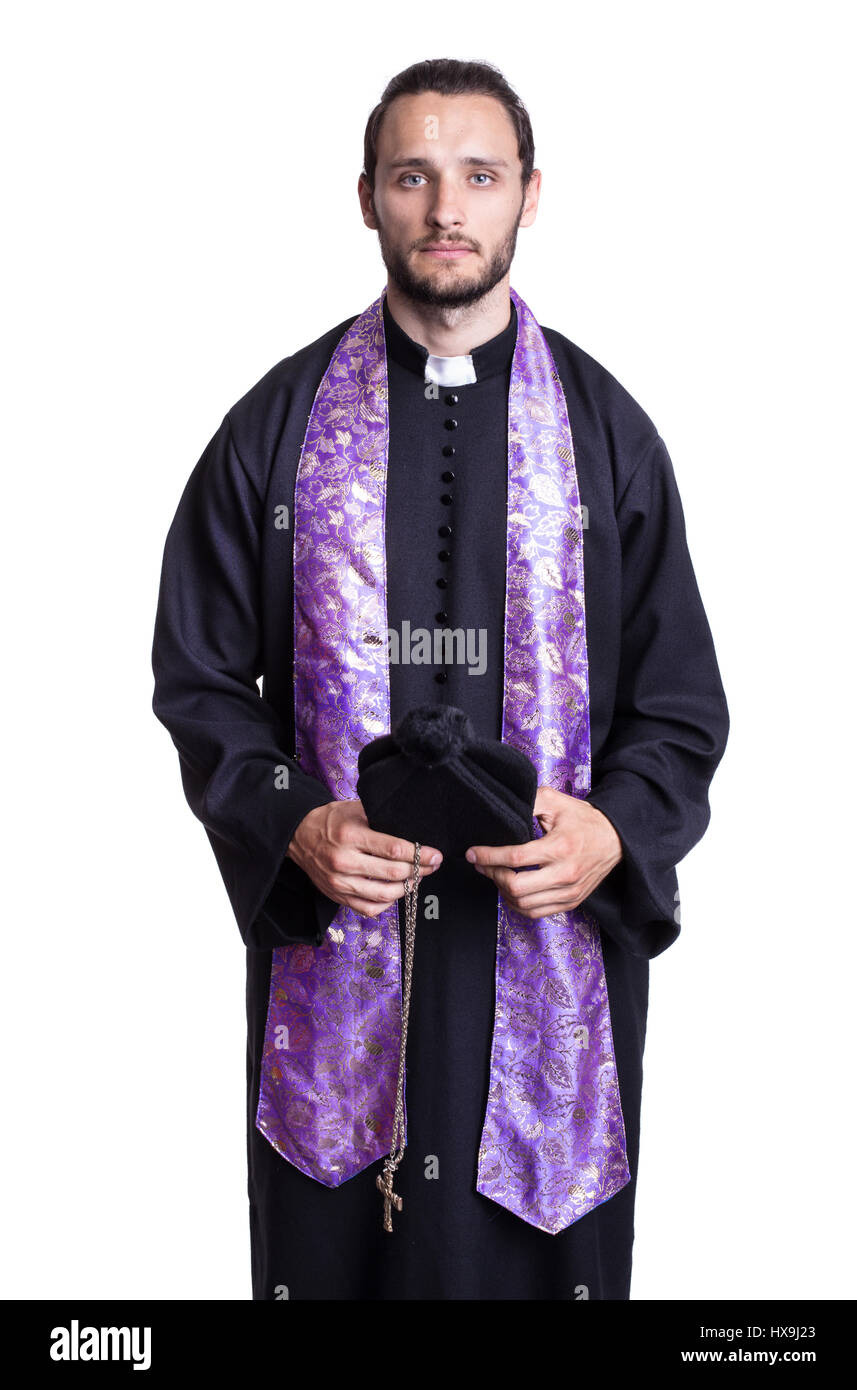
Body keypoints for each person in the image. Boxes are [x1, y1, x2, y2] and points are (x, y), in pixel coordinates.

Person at [151, 56, 729, 1301]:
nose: (446, 208)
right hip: (342, 948)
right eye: (413, 176)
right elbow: (199, 677)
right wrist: (286, 816)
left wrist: (613, 831)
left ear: (531, 194)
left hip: (541, 946)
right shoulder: (281, 428)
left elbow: (676, 706)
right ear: (367, 197)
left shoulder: (602, 433)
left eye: (479, 174)